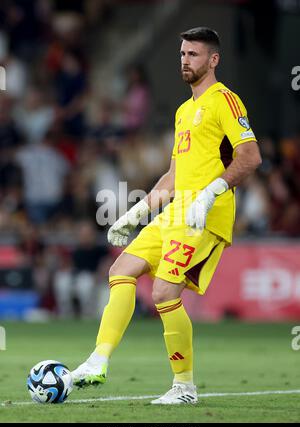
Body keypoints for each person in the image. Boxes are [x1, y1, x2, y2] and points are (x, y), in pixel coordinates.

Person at [71, 27, 262, 404]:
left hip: (206, 215)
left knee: (163, 291)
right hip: (175, 211)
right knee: (121, 270)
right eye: (182, 54)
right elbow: (173, 176)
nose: (185, 61)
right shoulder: (183, 111)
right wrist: (136, 212)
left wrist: (210, 194)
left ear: (213, 60)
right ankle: (97, 361)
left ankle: (184, 388)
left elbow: (251, 157)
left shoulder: (226, 101)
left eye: (193, 54)